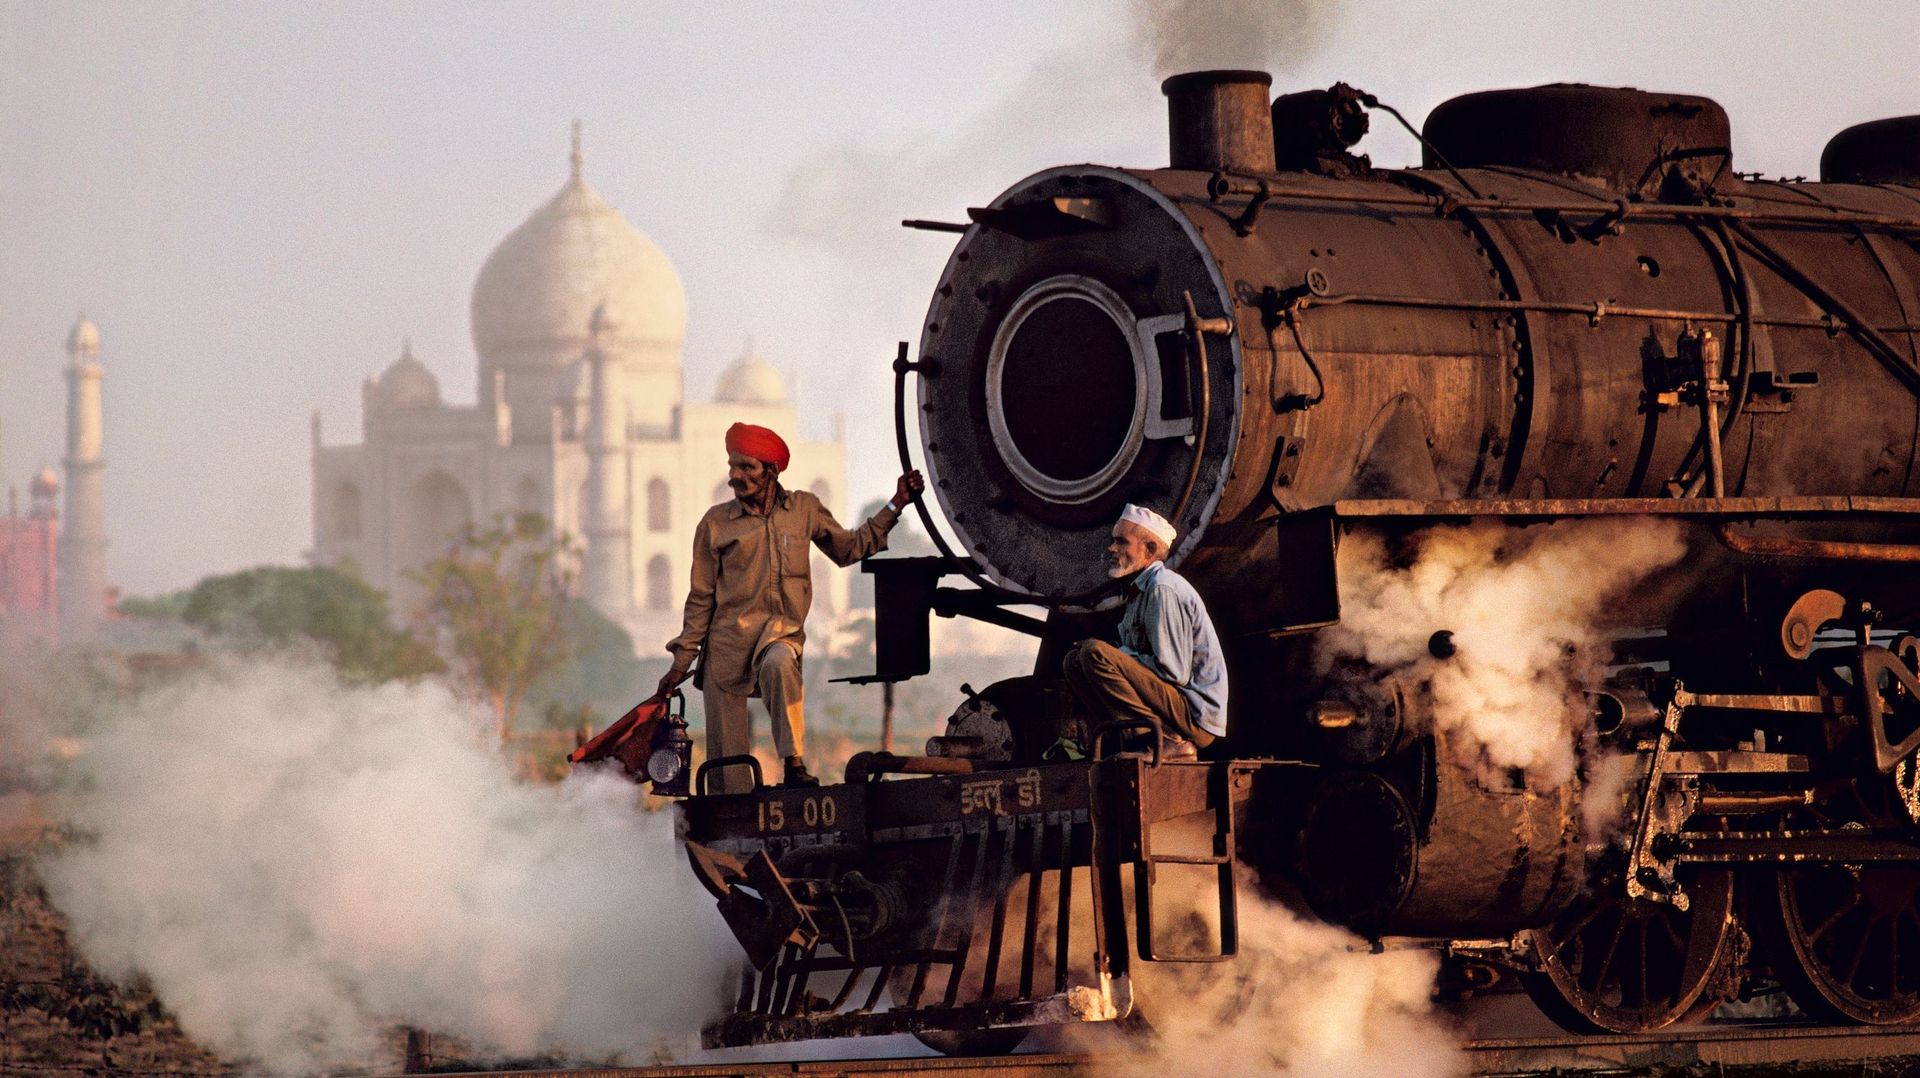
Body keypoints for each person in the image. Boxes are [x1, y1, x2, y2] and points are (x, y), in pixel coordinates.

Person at [661, 422, 924, 790]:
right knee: (728, 781)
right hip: (726, 649)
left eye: (747, 468)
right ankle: (732, 836)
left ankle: (793, 765)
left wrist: (896, 504)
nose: (735, 476)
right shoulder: (715, 524)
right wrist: (681, 662)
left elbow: (848, 549)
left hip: (777, 635)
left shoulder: (804, 509)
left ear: (771, 470)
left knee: (781, 662)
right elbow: (701, 597)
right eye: (732, 466)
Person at [1062, 504, 1227, 760]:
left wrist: (1115, 655)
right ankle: (1129, 738)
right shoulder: (1139, 591)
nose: (1111, 549)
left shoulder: (1163, 589)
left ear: (1149, 550)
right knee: (1074, 661)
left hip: (1194, 715)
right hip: (1172, 704)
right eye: (1113, 541)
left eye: (1121, 542)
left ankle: (1169, 742)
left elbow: (1173, 672)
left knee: (1095, 653)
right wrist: (1115, 654)